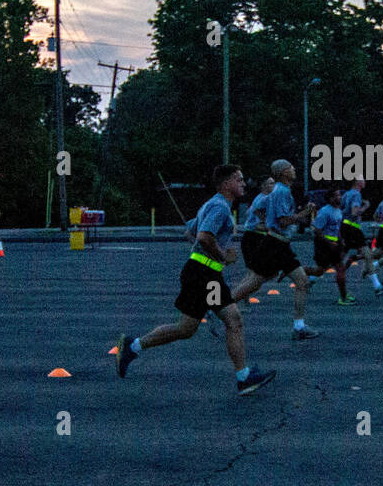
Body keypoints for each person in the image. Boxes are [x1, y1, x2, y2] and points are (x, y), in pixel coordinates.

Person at [115, 164, 276, 396]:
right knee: (234, 320)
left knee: (186, 328)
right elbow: (202, 236)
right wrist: (223, 255)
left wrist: (210, 255)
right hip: (204, 274)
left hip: (201, 271)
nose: (243, 184)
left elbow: (189, 231)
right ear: (227, 183)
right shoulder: (220, 208)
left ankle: (132, 346)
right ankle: (244, 377)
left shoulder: (212, 205)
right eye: (239, 180)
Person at [230, 159, 320, 339]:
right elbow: (283, 221)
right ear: (283, 173)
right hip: (275, 245)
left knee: (300, 281)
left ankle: (299, 327)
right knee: (254, 283)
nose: (294, 169)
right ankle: (217, 306)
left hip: (279, 243)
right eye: (290, 167)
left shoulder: (281, 191)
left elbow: (265, 212)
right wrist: (304, 213)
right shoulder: (281, 192)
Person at [340, 178, 383, 297]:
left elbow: (343, 210)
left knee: (342, 256)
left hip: (346, 227)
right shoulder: (356, 194)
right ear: (357, 182)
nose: (365, 181)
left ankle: (313, 276)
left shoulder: (347, 194)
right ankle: (377, 286)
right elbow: (354, 213)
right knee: (368, 255)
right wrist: (366, 206)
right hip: (353, 227)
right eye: (362, 179)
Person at [311, 188, 355, 305]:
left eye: (340, 195)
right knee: (320, 271)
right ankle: (297, 272)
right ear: (330, 199)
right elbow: (318, 231)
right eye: (337, 195)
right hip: (324, 245)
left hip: (334, 244)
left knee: (335, 269)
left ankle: (344, 296)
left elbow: (337, 229)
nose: (339, 197)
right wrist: (329, 243)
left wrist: (341, 241)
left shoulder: (338, 211)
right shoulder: (324, 212)